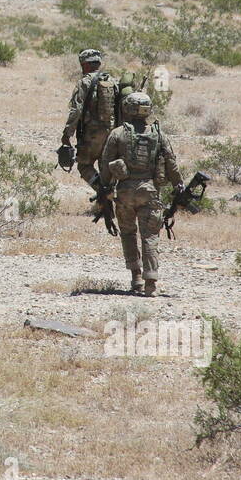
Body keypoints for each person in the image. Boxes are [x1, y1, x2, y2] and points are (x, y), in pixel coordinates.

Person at [97, 91, 183, 296]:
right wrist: (179, 186)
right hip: (150, 193)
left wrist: (104, 189)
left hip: (125, 193)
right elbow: (171, 163)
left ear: (127, 109)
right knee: (150, 236)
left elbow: (105, 165)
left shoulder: (117, 133)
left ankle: (136, 277)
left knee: (128, 233)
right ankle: (150, 283)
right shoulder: (158, 134)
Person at [60, 48, 118, 189]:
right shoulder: (112, 81)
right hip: (112, 133)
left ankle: (102, 194)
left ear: (84, 64)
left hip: (92, 134)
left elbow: (76, 110)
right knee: (107, 169)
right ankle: (109, 197)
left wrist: (67, 133)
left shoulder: (84, 82)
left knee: (85, 166)